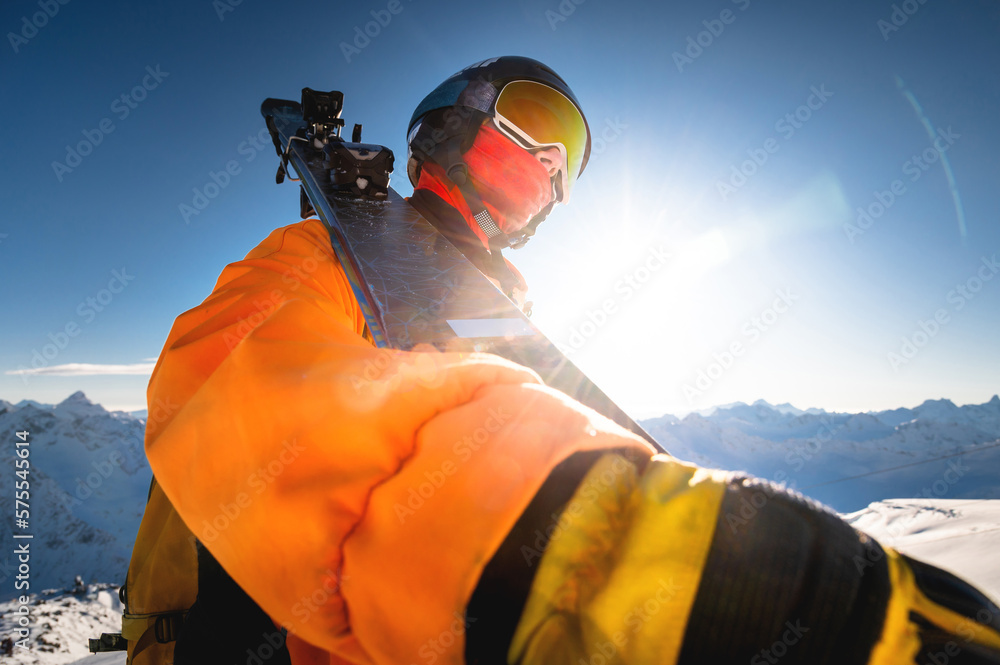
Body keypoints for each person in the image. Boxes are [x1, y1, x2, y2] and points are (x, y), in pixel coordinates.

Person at [131, 56, 1000, 665]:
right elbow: (232, 384)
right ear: (454, 118)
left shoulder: (500, 315)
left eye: (571, 159)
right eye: (539, 124)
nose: (552, 164)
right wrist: (592, 559)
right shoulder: (319, 257)